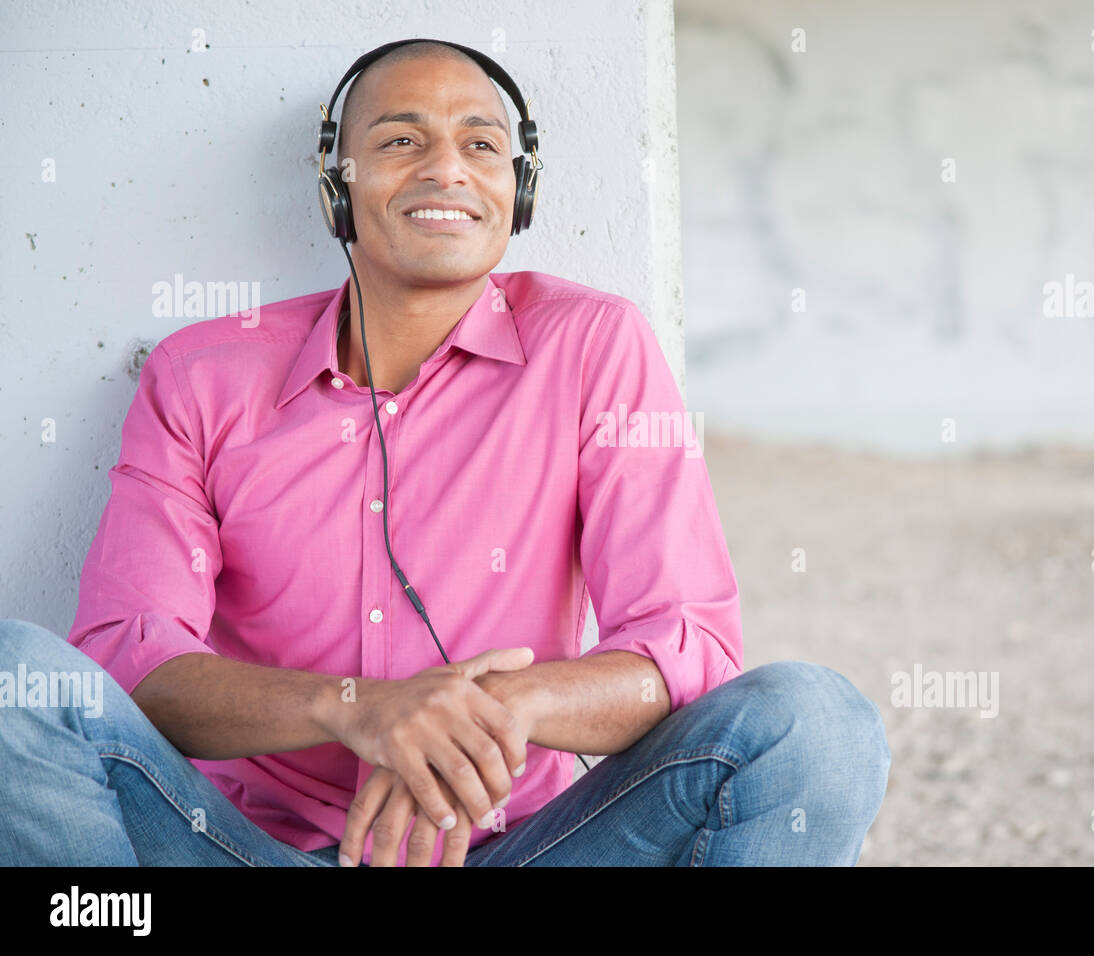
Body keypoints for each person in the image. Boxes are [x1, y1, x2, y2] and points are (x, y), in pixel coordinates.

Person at [0, 40, 890, 866]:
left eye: (481, 143)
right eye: (399, 140)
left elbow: (684, 642)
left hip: (524, 848)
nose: (445, 169)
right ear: (336, 184)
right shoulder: (202, 374)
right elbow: (132, 662)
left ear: (520, 186)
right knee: (15, 681)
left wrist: (497, 709)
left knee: (812, 723)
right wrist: (361, 712)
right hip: (242, 850)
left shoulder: (592, 344)